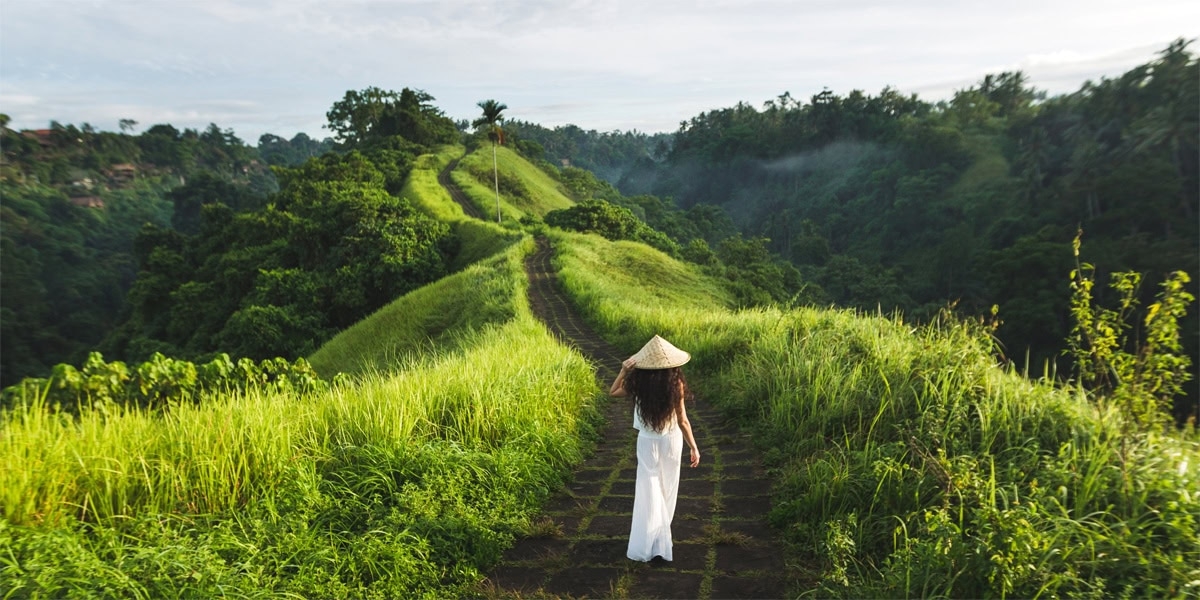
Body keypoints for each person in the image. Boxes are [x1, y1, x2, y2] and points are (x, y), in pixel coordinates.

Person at [609, 334, 701, 562]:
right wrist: (694, 447)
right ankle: (660, 538)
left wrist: (623, 370)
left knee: (648, 488)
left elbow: (613, 392)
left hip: (647, 441)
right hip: (671, 441)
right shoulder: (676, 383)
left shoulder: (638, 382)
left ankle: (647, 542)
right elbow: (683, 420)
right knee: (667, 487)